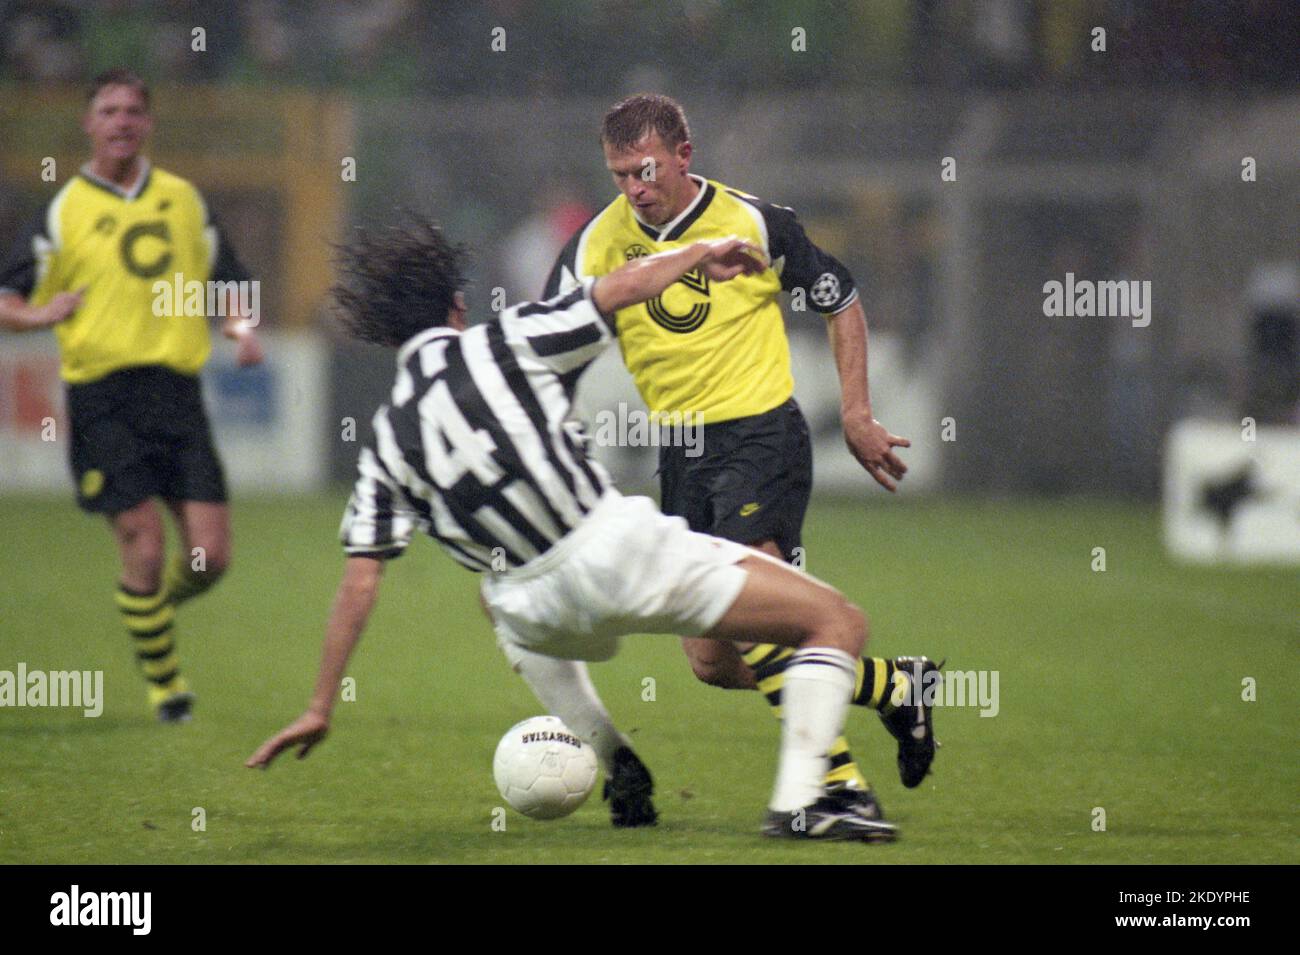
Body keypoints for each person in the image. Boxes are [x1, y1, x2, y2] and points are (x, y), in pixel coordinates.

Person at [245, 216, 919, 841]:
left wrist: (320, 702)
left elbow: (360, 579)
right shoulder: (505, 341)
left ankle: (614, 758)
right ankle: (812, 799)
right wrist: (699, 254)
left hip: (535, 616)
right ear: (456, 305)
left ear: (387, 334)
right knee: (834, 621)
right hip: (616, 559)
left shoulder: (388, 435)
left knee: (494, 591)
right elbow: (618, 289)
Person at [535, 93, 937, 819]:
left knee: (759, 616)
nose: (634, 187)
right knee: (712, 661)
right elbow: (546, 348)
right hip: (681, 457)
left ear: (684, 156)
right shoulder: (595, 244)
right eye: (620, 173)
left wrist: (854, 411)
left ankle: (834, 789)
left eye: (646, 168)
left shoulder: (756, 221)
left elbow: (839, 298)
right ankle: (896, 687)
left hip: (760, 436)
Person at [0, 69, 263, 722]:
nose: (121, 121)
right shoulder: (63, 212)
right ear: (89, 124)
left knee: (211, 556)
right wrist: (41, 314)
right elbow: (6, 299)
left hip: (177, 396)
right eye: (109, 111)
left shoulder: (182, 199)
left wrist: (241, 327)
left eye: (133, 111)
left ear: (147, 124)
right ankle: (167, 686)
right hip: (101, 399)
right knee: (144, 545)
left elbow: (233, 282)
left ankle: (149, 608)